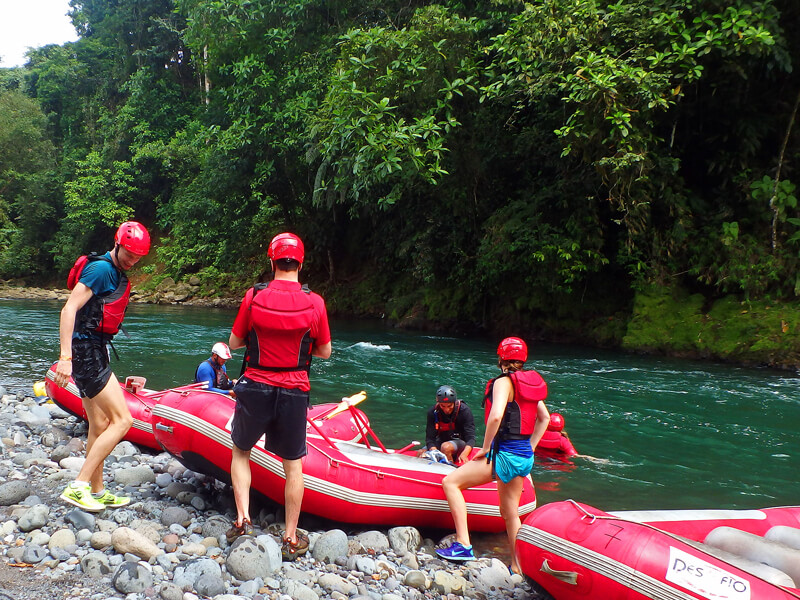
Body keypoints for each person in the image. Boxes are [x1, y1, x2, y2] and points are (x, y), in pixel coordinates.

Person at [226, 232, 331, 560]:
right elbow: (325, 352)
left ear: (272, 261)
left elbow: (233, 343)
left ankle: (243, 519)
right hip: (294, 391)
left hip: (255, 384)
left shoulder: (253, 296)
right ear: (301, 262)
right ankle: (289, 537)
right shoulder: (315, 302)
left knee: (241, 451)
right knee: (293, 466)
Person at [53, 221, 151, 512]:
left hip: (95, 350)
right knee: (123, 421)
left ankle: (97, 490)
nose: (132, 260)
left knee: (98, 424)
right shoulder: (102, 269)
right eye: (129, 254)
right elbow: (69, 308)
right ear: (117, 243)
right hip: (86, 353)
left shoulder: (115, 270)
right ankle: (79, 485)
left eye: (137, 257)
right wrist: (65, 358)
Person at [436, 336, 550, 574]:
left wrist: (486, 448)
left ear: (501, 357)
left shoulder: (504, 383)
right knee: (510, 513)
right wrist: (531, 447)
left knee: (451, 483)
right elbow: (545, 418)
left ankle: (464, 545)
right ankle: (518, 567)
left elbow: (496, 416)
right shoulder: (528, 385)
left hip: (503, 456)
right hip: (523, 457)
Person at [420, 385, 475, 465]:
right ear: (438, 402)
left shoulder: (464, 411)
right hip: (441, 441)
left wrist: (464, 454)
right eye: (442, 406)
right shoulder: (433, 412)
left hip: (460, 442)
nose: (446, 409)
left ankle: (450, 471)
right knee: (421, 453)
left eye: (449, 406)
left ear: (454, 402)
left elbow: (471, 438)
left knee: (446, 447)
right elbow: (429, 439)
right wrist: (434, 451)